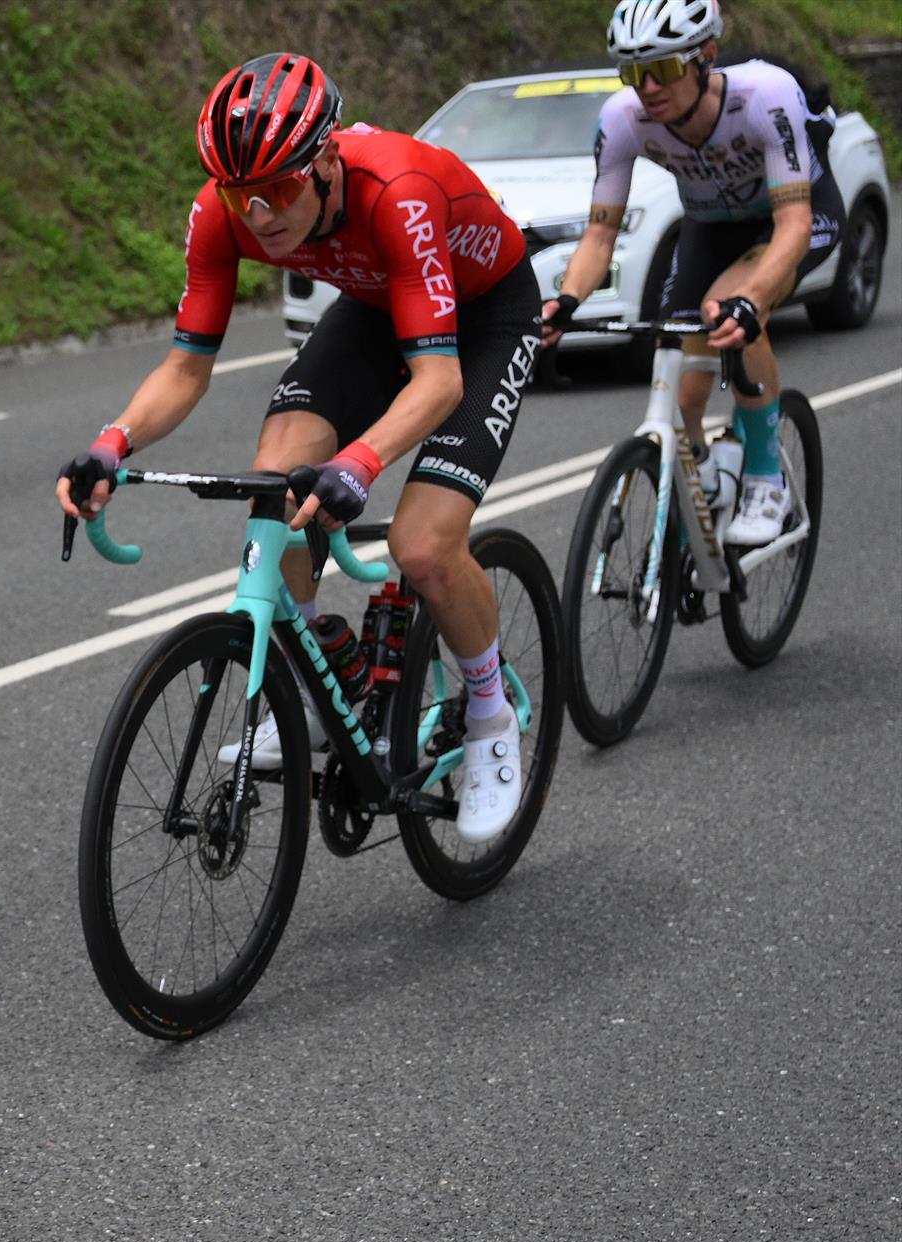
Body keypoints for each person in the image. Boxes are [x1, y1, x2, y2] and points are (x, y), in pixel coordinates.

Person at [56, 53, 542, 842]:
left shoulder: (397, 191)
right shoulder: (223, 213)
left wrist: (360, 461)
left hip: (485, 318)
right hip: (377, 303)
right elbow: (185, 368)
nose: (262, 215)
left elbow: (439, 383)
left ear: (325, 161)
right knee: (273, 488)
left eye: (280, 190)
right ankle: (328, 684)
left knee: (422, 546)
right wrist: (110, 445)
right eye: (243, 197)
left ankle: (488, 714)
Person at [540, 0, 840, 543]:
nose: (648, 87)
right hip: (710, 226)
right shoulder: (622, 119)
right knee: (678, 384)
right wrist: (567, 301)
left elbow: (793, 223)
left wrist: (753, 299)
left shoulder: (763, 96)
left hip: (795, 215)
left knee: (724, 307)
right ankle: (704, 478)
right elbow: (600, 234)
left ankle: (765, 478)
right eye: (633, 72)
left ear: (706, 57)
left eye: (665, 68)